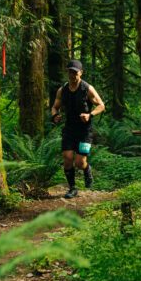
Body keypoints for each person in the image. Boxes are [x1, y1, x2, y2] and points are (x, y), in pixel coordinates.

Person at [51, 60, 105, 198]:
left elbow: (101, 105)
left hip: (85, 132)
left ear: (81, 73)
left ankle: (87, 170)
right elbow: (54, 107)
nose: (72, 74)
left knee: (80, 163)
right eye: (70, 71)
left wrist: (90, 114)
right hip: (69, 129)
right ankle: (72, 188)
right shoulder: (62, 90)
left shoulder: (87, 89)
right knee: (67, 157)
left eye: (75, 72)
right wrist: (55, 115)